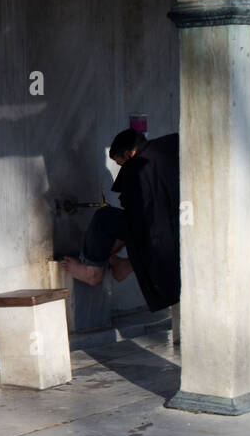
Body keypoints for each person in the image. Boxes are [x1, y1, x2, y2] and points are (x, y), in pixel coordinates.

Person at [60, 128, 181, 312]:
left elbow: (137, 217)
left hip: (159, 239)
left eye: (121, 164)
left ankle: (92, 272)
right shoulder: (170, 146)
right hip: (180, 230)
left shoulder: (137, 167)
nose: (122, 169)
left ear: (129, 153)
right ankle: (126, 264)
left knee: (105, 217)